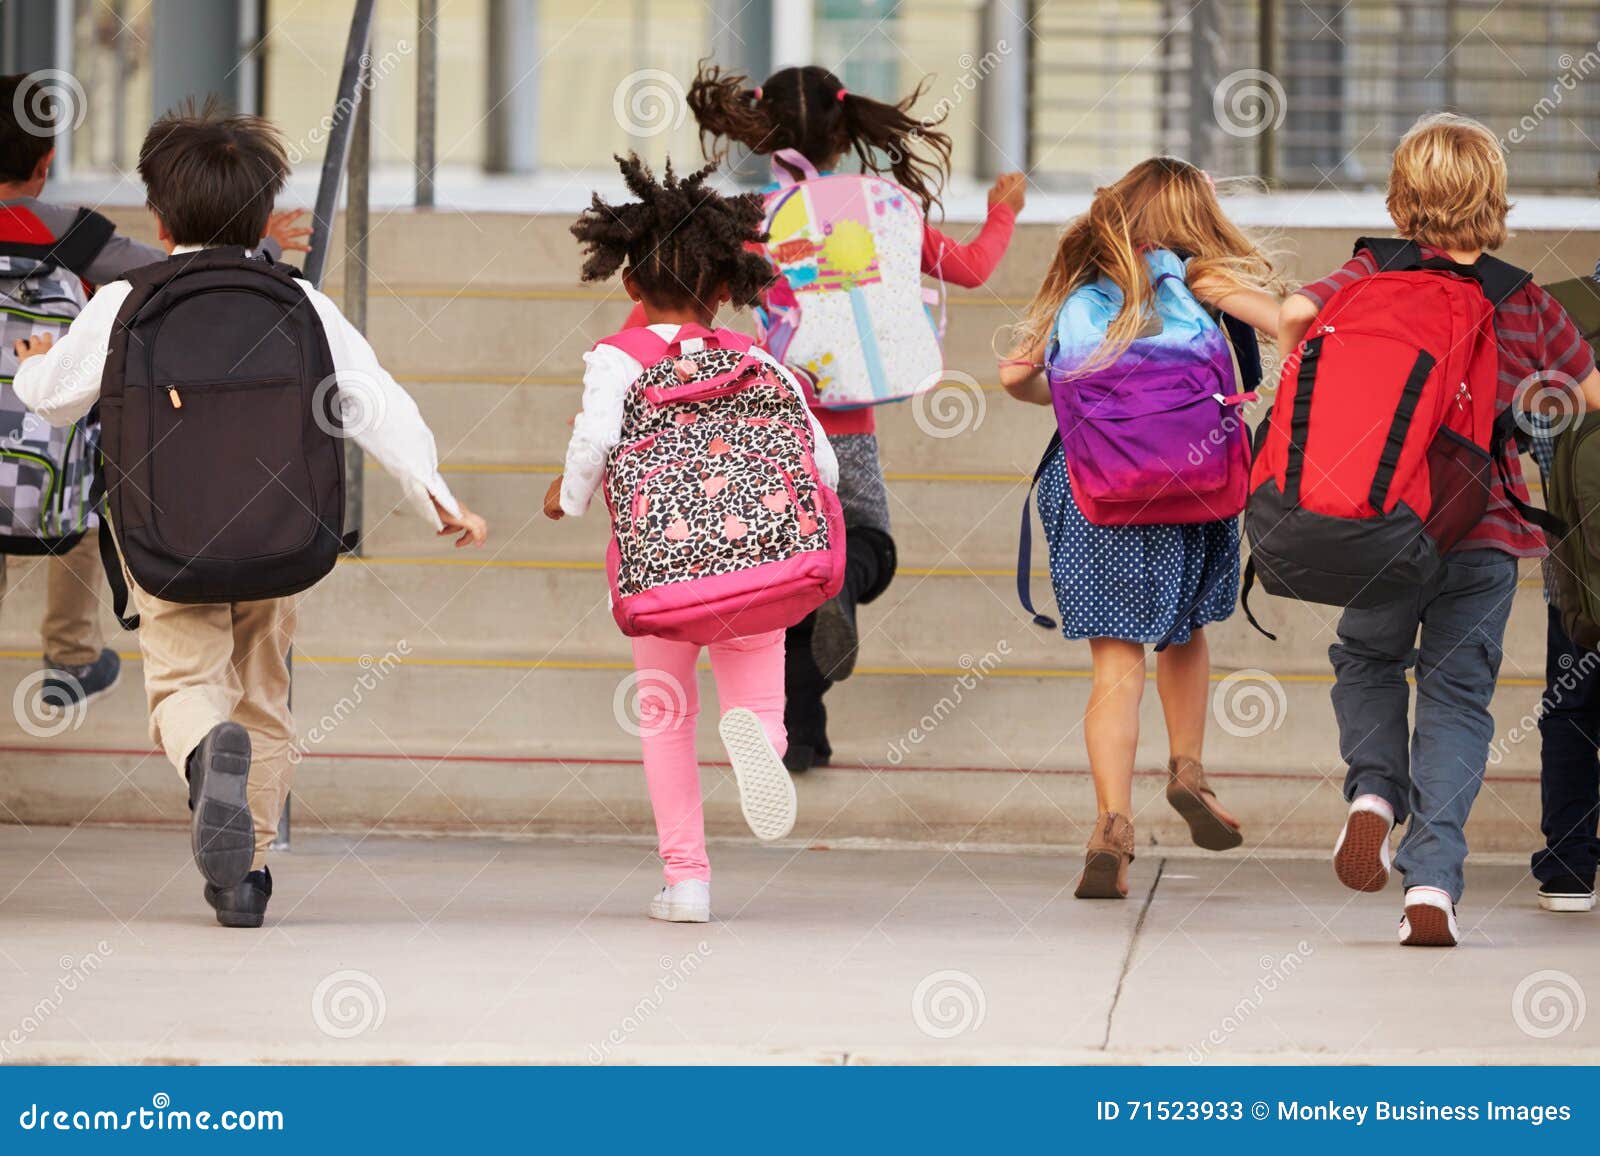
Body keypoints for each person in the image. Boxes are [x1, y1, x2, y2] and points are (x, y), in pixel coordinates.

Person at [10, 107, 484, 929]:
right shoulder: (298, 299)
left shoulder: (125, 297)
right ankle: (247, 876)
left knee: (188, 681)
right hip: (276, 531)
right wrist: (433, 491)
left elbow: (54, 404)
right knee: (264, 693)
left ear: (157, 218)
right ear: (268, 217)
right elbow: (372, 398)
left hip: (164, 537)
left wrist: (31, 369)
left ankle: (202, 753)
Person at [1281, 113, 1600, 945]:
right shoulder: (1522, 299)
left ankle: (1374, 793)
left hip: (1384, 526)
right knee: (1458, 702)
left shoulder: (1364, 273)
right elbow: (1591, 393)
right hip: (1485, 533)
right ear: (1493, 199)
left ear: (1401, 197)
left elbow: (1289, 317)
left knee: (1367, 659)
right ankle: (1431, 890)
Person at [687, 62, 1024, 772]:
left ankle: (798, 738)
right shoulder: (883, 204)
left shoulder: (751, 222)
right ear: (845, 131)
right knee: (867, 543)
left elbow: (694, 302)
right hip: (850, 430)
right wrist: (1004, 210)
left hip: (772, 426)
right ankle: (849, 577)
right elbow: (970, 269)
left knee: (786, 580)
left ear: (761, 129)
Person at [544, 154, 839, 924]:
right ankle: (764, 744)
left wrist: (568, 500)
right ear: (722, 289)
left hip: (664, 573)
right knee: (757, 699)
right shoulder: (758, 358)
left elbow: (595, 440)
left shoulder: (618, 356)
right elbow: (825, 466)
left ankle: (687, 882)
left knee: (667, 720)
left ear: (630, 286)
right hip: (759, 570)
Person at [999, 157, 1282, 899]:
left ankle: (1111, 827)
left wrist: (1071, 395)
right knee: (1184, 632)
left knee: (1113, 665)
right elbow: (1288, 323)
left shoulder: (1081, 283)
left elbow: (1014, 378)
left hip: (1098, 490)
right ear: (1195, 217)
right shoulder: (1203, 281)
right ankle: (1188, 772)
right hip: (1195, 484)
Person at [0, 73, 308, 712]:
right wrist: (268, 247)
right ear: (45, 162)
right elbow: (183, 272)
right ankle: (69, 660)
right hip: (51, 447)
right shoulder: (68, 230)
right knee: (86, 512)